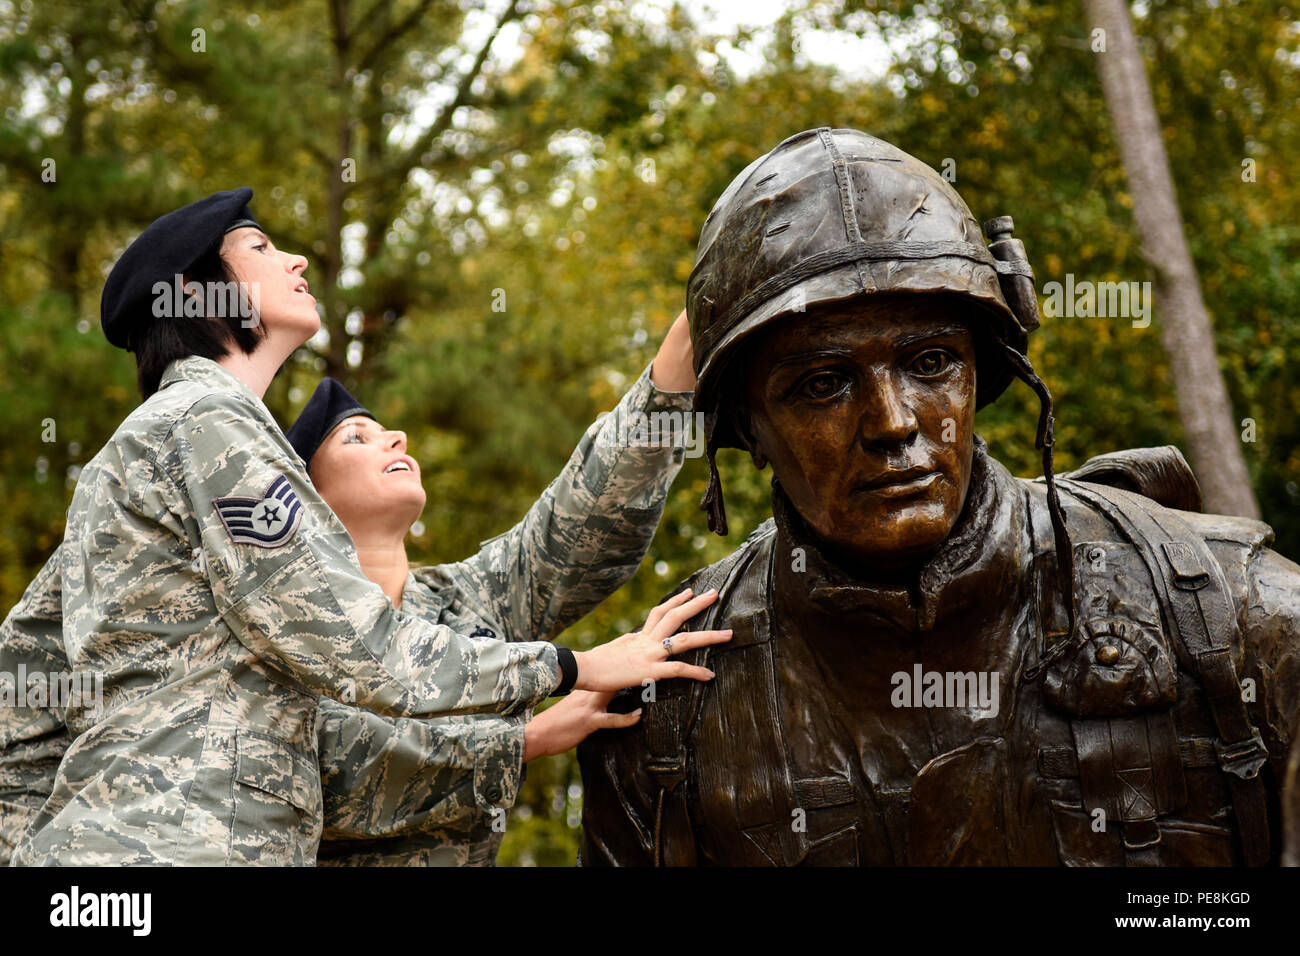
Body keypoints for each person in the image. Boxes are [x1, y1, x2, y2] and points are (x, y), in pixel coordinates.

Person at [577, 127, 1300, 866]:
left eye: (930, 363)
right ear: (749, 429)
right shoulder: (669, 713)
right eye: (823, 384)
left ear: (981, 376)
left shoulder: (1236, 618)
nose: (893, 424)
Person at [0, 188, 729, 865]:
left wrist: (672, 379)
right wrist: (566, 675)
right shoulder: (206, 424)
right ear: (195, 293)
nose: (297, 259)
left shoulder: (139, 461)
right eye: (258, 247)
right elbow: (353, 651)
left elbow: (21, 685)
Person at [295, 312, 699, 866]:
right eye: (356, 437)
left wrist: (684, 345)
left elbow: (585, 519)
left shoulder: (470, 597)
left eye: (384, 428)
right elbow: (327, 781)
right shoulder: (286, 622)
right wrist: (529, 739)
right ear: (308, 496)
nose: (396, 437)